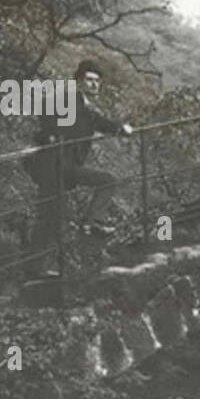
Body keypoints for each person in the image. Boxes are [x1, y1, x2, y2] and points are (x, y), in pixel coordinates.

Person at [24, 59, 133, 275]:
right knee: (49, 217)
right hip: (54, 165)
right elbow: (45, 109)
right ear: (79, 81)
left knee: (51, 217)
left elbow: (102, 123)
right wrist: (52, 135)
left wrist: (122, 129)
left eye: (96, 81)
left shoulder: (86, 108)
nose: (94, 85)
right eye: (89, 80)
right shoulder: (69, 99)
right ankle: (38, 269)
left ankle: (90, 223)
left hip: (66, 167)